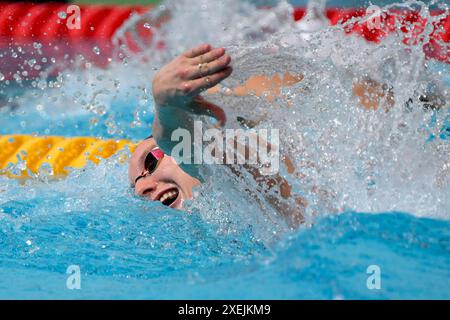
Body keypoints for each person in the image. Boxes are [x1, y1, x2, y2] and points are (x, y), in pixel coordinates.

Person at [128, 43, 443, 228]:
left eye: (151, 161)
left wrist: (167, 105)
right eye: (135, 187)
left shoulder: (250, 163)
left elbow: (192, 146)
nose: (141, 185)